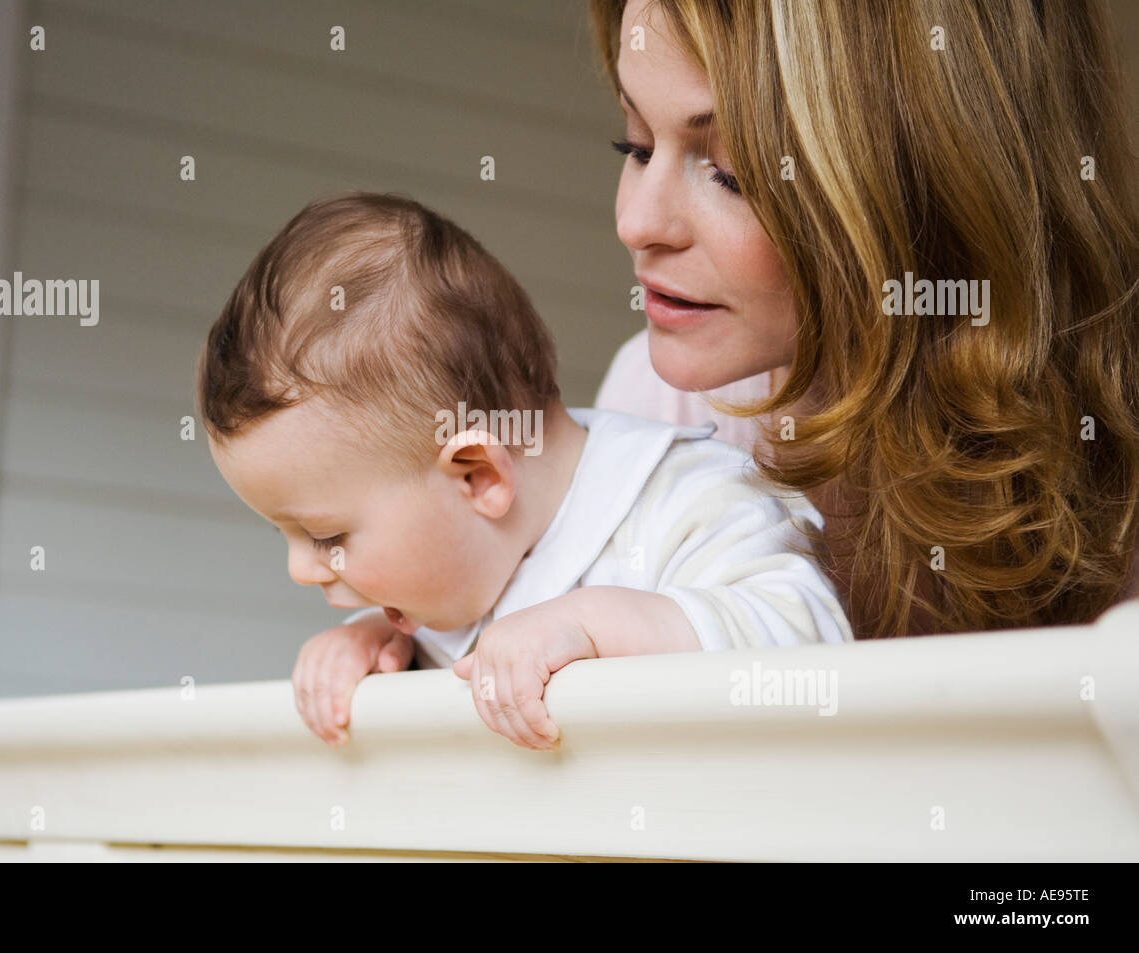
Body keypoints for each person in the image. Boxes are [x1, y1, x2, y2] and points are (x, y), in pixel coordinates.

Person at [196, 191, 850, 752]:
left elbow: (810, 646)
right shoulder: (462, 578)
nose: (301, 569)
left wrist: (596, 625)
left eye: (326, 535)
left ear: (478, 475)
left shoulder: (688, 500)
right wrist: (377, 654)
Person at [589, 0, 1139, 636]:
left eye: (732, 174)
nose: (636, 223)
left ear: (931, 175)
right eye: (636, 145)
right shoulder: (657, 410)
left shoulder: (1110, 425)